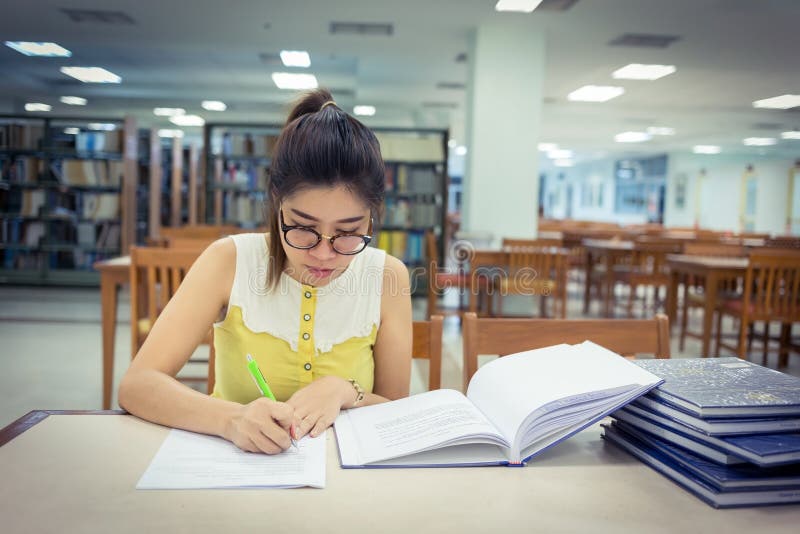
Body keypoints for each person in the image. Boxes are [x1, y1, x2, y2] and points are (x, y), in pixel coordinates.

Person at [118, 89, 413, 455]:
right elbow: (138, 385)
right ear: (277, 203)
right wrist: (230, 420)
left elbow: (399, 414)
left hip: (345, 486)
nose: (323, 254)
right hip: (234, 473)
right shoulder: (229, 260)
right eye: (303, 228)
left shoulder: (387, 276)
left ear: (372, 216)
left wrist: (345, 392)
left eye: (348, 232)